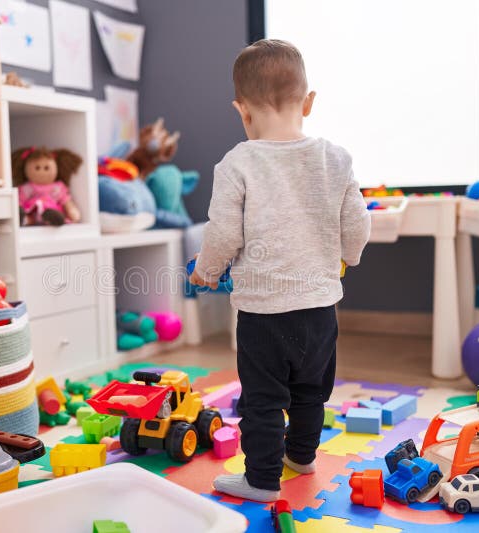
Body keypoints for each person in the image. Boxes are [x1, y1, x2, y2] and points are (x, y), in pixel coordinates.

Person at [189, 39, 371, 502]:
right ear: (308, 103)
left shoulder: (238, 162)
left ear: (241, 110)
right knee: (312, 391)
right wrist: (347, 256)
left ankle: (262, 479)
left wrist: (207, 272)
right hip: (320, 308)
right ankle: (303, 456)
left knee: (264, 400)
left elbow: (224, 231)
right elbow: (357, 224)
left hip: (264, 313)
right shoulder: (336, 157)